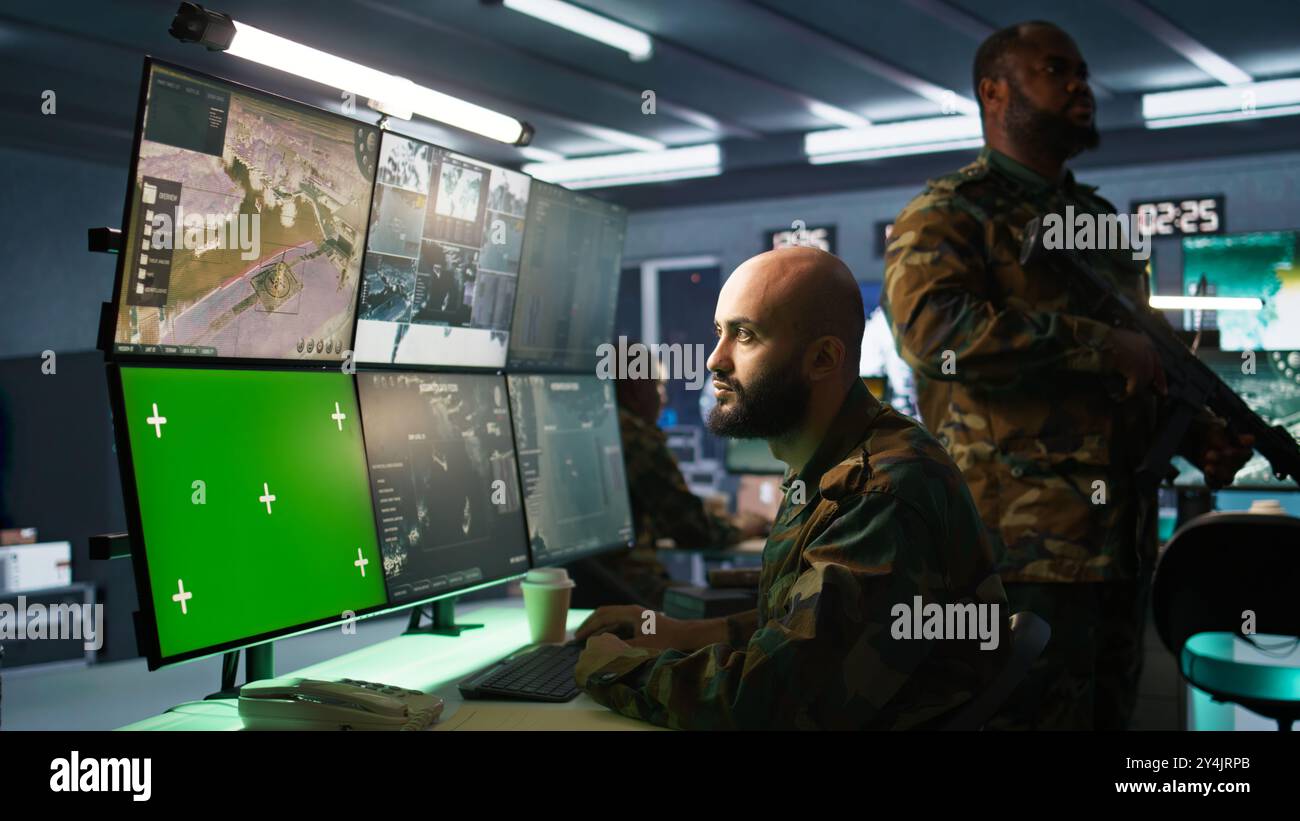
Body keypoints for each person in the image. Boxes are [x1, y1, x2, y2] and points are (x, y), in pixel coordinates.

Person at [881, 21, 1254, 730]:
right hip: (1015, 553)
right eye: (1056, 70)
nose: (1080, 84)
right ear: (994, 93)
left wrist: (1195, 438)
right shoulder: (949, 211)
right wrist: (1096, 344)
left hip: (1118, 547)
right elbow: (933, 334)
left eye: (1082, 70)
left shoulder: (1099, 223)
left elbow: (1144, 365)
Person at [572, 246, 1009, 730]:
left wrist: (615, 666)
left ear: (823, 358)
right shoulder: (830, 464)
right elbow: (799, 630)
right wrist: (681, 632)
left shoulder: (881, 492)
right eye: (719, 333)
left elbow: (768, 703)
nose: (715, 360)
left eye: (745, 335)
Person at [568, 373, 768, 611]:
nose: (663, 396)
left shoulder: (584, 427)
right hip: (629, 591)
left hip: (583, 588)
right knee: (748, 608)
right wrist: (747, 524)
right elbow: (694, 530)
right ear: (635, 388)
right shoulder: (634, 436)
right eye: (657, 385)